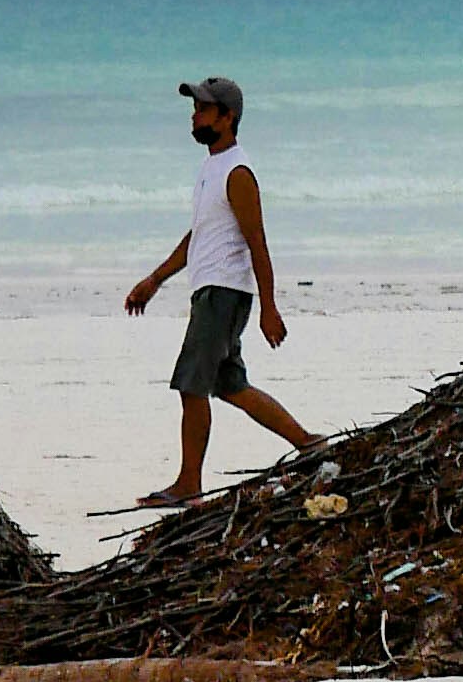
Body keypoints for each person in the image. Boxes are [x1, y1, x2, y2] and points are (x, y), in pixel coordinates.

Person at [123, 75, 321, 503]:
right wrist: (155, 280)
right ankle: (309, 443)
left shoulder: (238, 172)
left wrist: (270, 307)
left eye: (203, 109)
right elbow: (197, 237)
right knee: (230, 386)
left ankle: (188, 484)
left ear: (227, 118)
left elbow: (257, 242)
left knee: (191, 385)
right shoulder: (211, 168)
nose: (194, 116)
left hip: (224, 293)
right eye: (195, 109)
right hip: (212, 291)